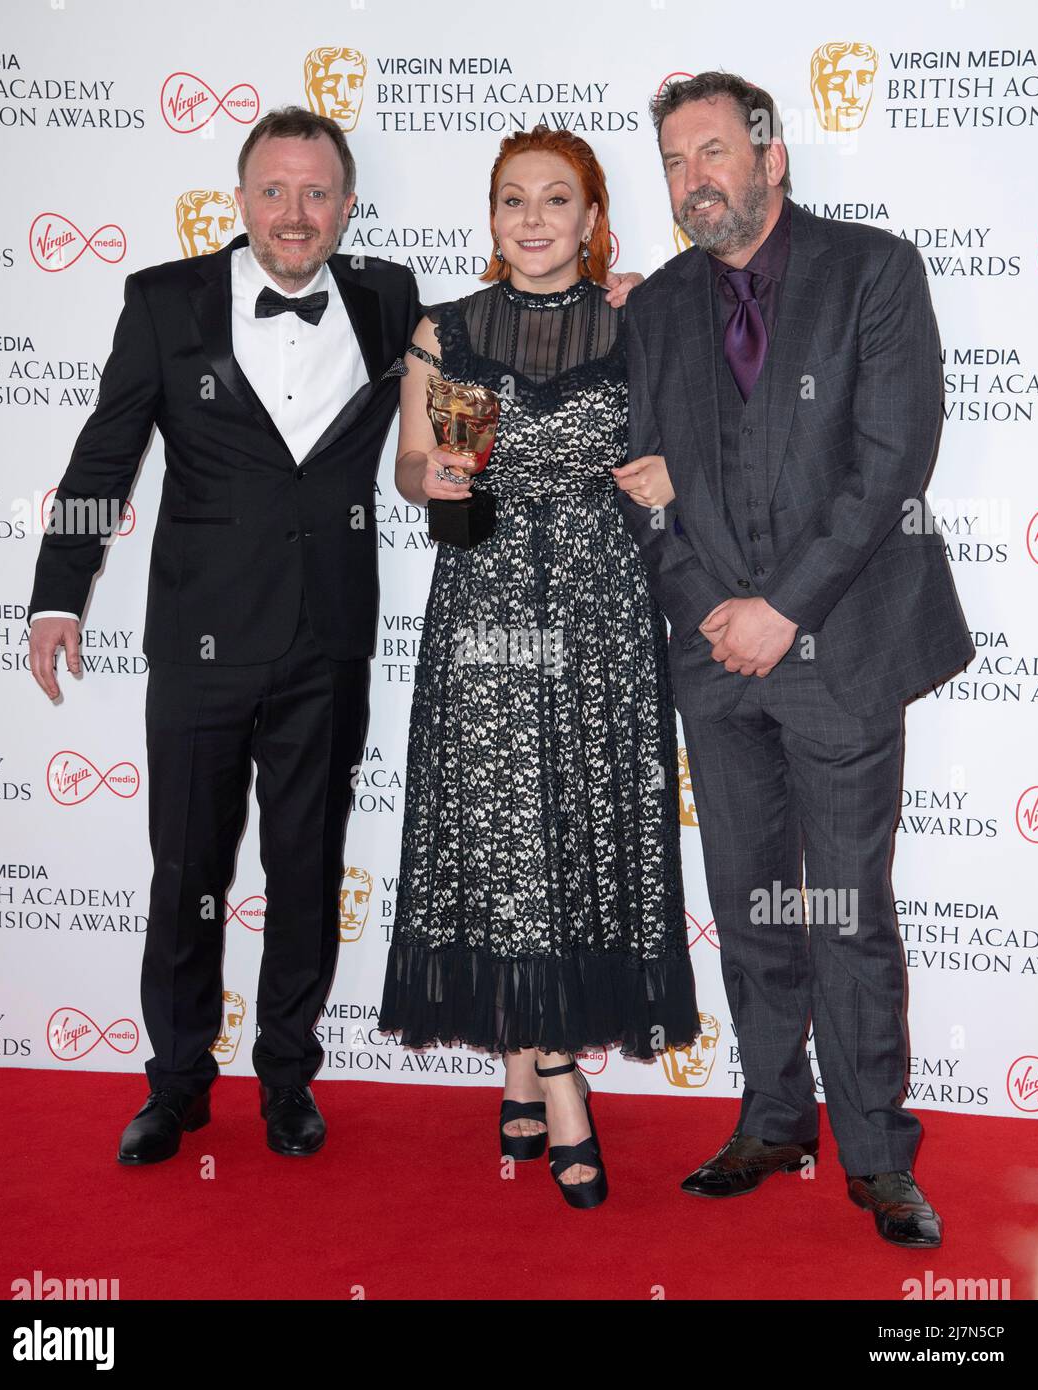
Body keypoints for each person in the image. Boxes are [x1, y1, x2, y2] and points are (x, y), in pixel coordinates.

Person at [614, 72, 974, 1247]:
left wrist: (783, 608)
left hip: (843, 648)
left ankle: (876, 1155)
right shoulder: (657, 305)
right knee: (747, 903)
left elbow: (887, 465)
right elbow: (641, 484)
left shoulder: (872, 271)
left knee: (844, 910)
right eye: (673, 160)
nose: (692, 179)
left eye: (711, 151)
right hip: (713, 655)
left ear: (770, 157)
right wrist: (718, 607)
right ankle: (772, 1118)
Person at [27, 106, 421, 1164]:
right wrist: (58, 595)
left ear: (345, 204)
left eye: (317, 193)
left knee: (304, 868)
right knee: (186, 869)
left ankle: (288, 1079)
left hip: (327, 641)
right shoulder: (165, 301)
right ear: (239, 199)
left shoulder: (390, 300)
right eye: (274, 191)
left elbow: (498, 334)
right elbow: (102, 458)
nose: (295, 214)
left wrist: (626, 294)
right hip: (200, 639)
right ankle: (177, 1084)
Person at [378, 126, 700, 1210]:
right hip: (485, 604)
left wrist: (668, 481)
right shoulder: (444, 330)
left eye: (553, 200)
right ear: (491, 219)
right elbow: (410, 468)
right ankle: (557, 1079)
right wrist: (442, 480)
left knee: (576, 825)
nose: (530, 219)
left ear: (590, 214)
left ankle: (520, 1061)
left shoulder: (636, 322)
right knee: (507, 829)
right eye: (511, 200)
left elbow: (682, 447)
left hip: (603, 609)